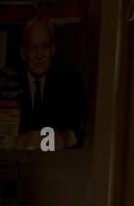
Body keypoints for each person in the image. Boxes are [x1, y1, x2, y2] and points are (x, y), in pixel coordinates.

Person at [11, 17, 87, 150]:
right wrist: (13, 142)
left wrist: (65, 138)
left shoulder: (71, 81)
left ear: (53, 48)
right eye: (33, 48)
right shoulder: (6, 81)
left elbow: (79, 131)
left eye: (45, 46)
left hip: (59, 163)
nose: (39, 55)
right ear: (23, 52)